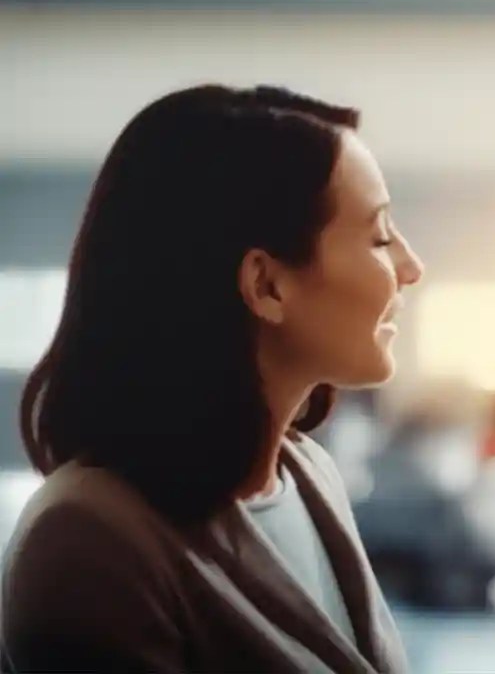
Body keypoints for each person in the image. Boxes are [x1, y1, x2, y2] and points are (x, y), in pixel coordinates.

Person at [1, 84, 424, 672]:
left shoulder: (309, 475)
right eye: (379, 236)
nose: (411, 267)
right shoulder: (86, 539)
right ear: (266, 286)